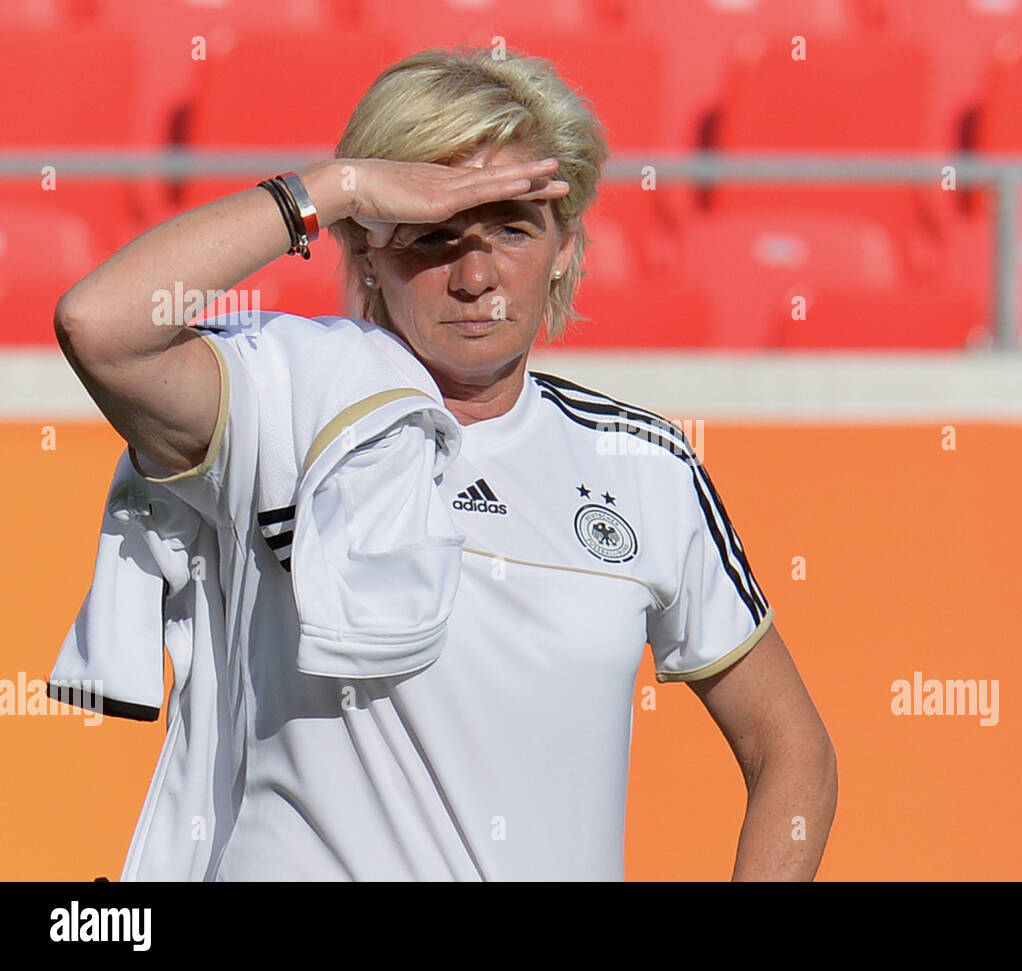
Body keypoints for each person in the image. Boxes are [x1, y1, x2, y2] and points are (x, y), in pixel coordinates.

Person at [53, 46, 837, 880]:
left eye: (511, 227)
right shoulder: (278, 396)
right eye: (430, 234)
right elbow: (99, 326)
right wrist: (335, 188)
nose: (474, 274)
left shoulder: (642, 462)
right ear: (368, 254)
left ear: (565, 244)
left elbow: (795, 753)